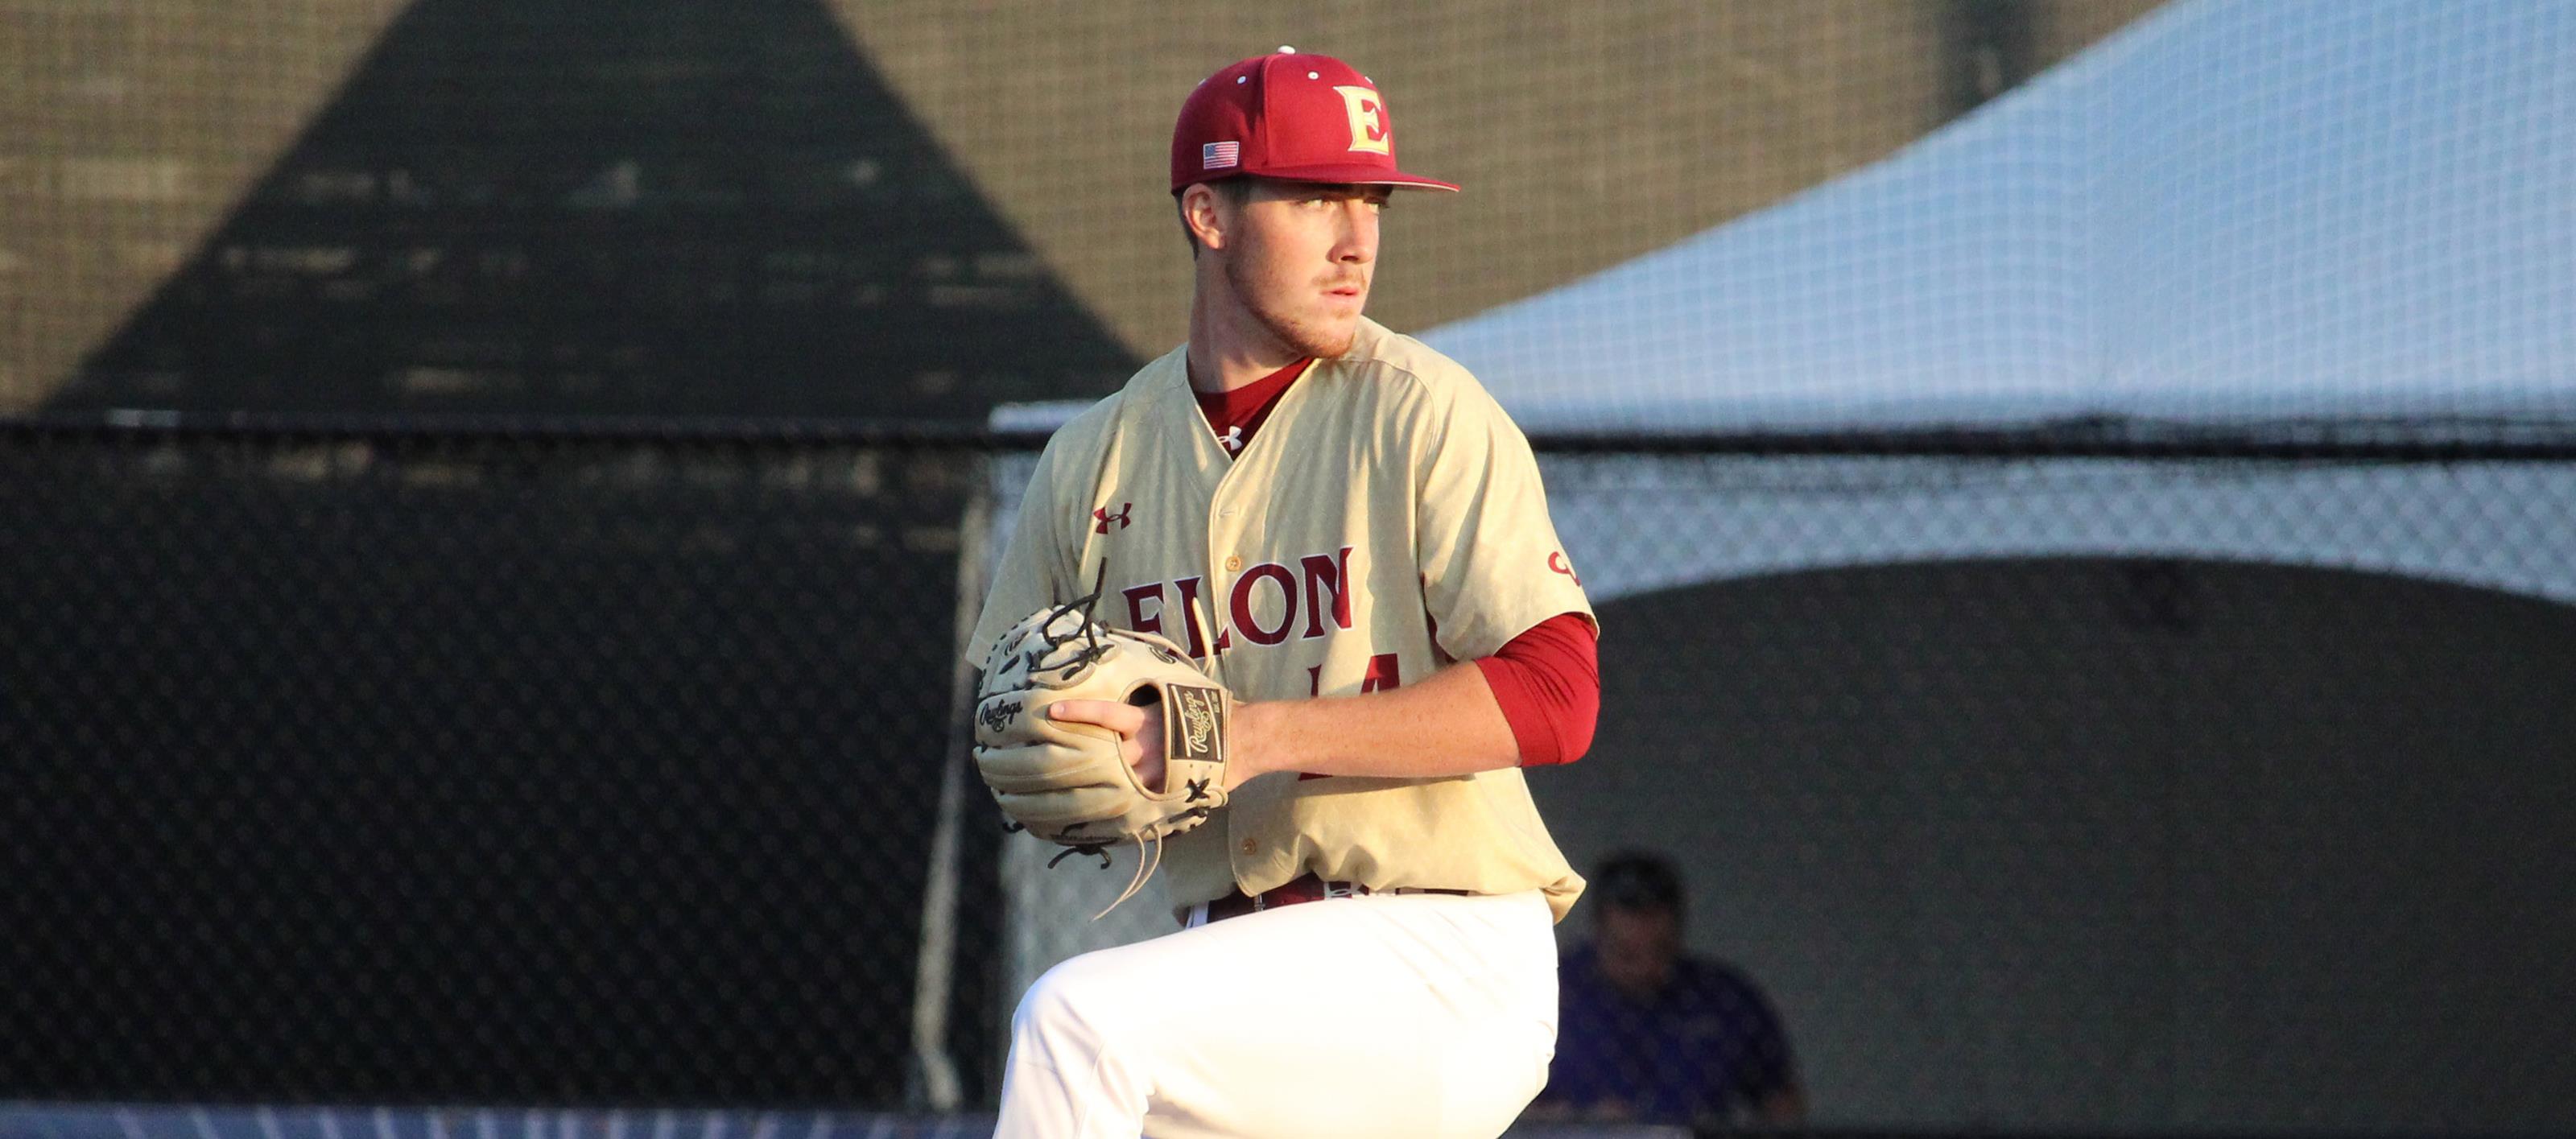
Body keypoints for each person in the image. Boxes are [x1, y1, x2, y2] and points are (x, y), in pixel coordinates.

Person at [964, 47, 1604, 1139]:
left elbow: (1559, 696)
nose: (1358, 239)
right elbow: (1006, 708)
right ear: (1209, 214)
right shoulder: (1095, 458)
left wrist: (1244, 732)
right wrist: (1052, 740)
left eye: (1372, 200)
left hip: (1440, 949)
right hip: (1241, 972)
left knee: (1076, 1022)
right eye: (1316, 198)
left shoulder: (1423, 411)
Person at [1535, 851, 1806, 1129]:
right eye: (1626, 954)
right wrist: (1580, 1121)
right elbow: (1500, 1103)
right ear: (1599, 932)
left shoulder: (1723, 999)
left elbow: (1781, 1100)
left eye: (1660, 951)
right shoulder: (1552, 992)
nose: (1644, 968)